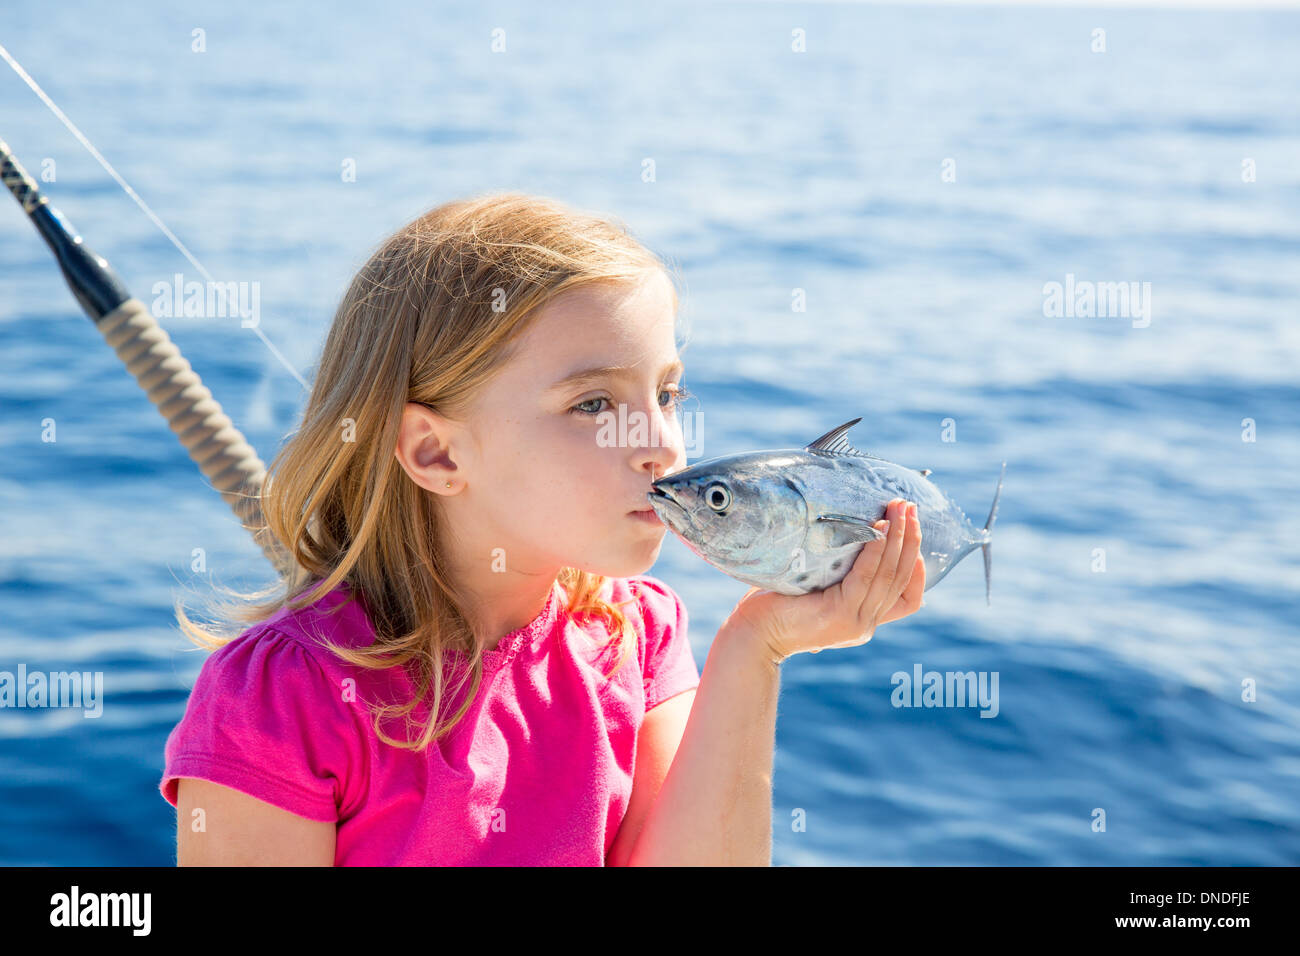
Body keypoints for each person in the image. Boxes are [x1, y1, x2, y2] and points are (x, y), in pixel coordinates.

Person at [159, 192, 925, 866]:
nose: (660, 442)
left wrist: (758, 647)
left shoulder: (640, 638)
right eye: (593, 404)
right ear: (436, 451)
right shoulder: (280, 702)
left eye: (666, 393)